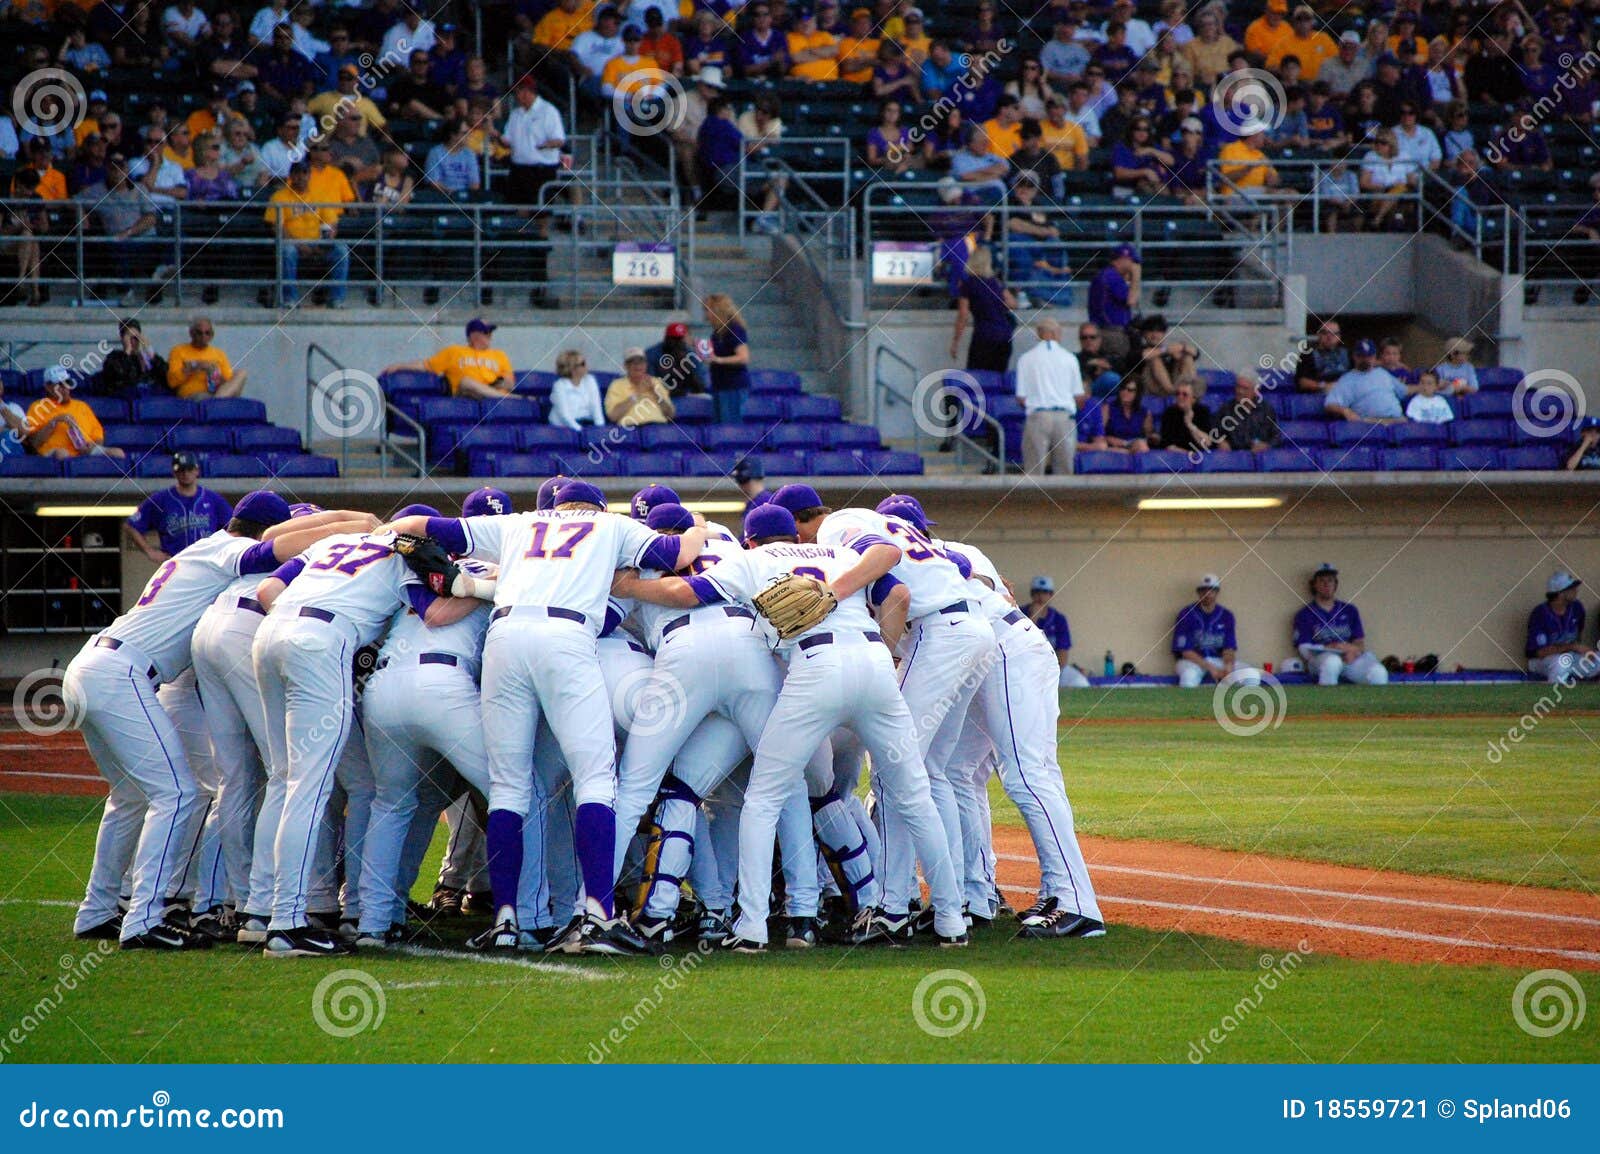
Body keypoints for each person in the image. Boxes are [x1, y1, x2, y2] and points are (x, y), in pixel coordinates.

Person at [384, 481, 707, 956]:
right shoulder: (611, 523)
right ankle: (596, 916)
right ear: (595, 506)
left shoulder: (517, 524)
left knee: (509, 786)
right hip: (566, 635)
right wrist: (698, 527)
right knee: (595, 779)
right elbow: (677, 554)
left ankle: (507, 919)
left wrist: (408, 549)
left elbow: (411, 528)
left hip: (505, 635)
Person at [63, 492, 358, 949]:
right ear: (263, 527)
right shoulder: (228, 549)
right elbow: (273, 550)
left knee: (129, 798)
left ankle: (97, 910)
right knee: (178, 794)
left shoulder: (200, 548)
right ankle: (143, 919)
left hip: (93, 664)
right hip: (123, 672)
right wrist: (348, 525)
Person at [263, 160, 350, 308]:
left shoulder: (320, 195)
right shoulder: (279, 196)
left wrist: (323, 243)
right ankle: (289, 299)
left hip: (317, 243)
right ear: (291, 175)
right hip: (292, 244)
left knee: (341, 249)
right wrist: (299, 245)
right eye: (297, 173)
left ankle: (337, 299)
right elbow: (277, 227)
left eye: (304, 173)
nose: (301, 177)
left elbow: (332, 224)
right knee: (287, 250)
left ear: (309, 175)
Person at [123, 453, 233, 563]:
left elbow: (233, 526)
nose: (185, 474)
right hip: (175, 563)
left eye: (189, 469)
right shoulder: (161, 499)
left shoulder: (212, 498)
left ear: (197, 471)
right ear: (174, 473)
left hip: (207, 562)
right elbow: (131, 525)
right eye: (181, 470)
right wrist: (149, 551)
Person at [1293, 563, 1389, 686]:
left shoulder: (1349, 610)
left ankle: (1374, 705)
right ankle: (1326, 704)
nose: (1326, 584)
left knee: (1378, 672)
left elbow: (1359, 642)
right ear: (1314, 585)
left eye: (1330, 580)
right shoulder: (1305, 614)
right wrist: (1330, 648)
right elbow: (1304, 648)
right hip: (1322, 659)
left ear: (1335, 584)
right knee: (1332, 662)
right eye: (1322, 581)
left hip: (1350, 657)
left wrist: (1352, 650)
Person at [384, 318, 519, 401]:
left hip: (492, 395)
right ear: (474, 335)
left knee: (503, 386)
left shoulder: (499, 355)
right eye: (487, 333)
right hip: (465, 396)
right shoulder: (454, 351)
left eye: (490, 333)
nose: (490, 336)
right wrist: (399, 366)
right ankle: (510, 399)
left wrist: (495, 384)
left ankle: (502, 398)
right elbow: (426, 365)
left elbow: (510, 383)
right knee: (466, 382)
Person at [1015, 317, 1081, 476]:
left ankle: (1035, 501)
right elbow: (1078, 395)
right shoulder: (1070, 358)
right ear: (1056, 333)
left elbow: (1021, 397)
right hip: (1064, 417)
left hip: (1038, 416)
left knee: (1034, 471)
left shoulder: (1026, 359)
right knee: (1065, 470)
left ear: (1039, 334)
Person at [1173, 575, 1261, 688]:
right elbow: (1186, 651)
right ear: (1198, 593)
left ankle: (1241, 703)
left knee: (1252, 675)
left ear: (1217, 592)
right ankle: (1187, 705)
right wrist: (1211, 668)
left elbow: (1229, 648)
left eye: (1211, 590)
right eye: (1203, 590)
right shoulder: (1186, 614)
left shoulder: (1226, 615)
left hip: (1218, 660)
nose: (1207, 594)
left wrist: (1228, 665)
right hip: (1192, 662)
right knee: (1188, 676)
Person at [26, 367, 126, 461]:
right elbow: (34, 443)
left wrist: (92, 445)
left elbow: (98, 436)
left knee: (118, 453)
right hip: (54, 453)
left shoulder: (82, 406)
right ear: (48, 387)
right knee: (62, 454)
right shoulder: (37, 407)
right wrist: (54, 422)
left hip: (85, 451)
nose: (65, 388)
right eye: (60, 384)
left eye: (67, 383)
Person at [950, 247, 1016, 372]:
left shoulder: (967, 284)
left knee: (976, 378)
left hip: (983, 335)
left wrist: (955, 341)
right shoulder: (996, 282)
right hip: (1004, 334)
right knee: (998, 378)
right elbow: (1012, 303)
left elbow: (963, 315)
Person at [1526, 571, 1598, 684]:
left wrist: (1579, 650)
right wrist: (1573, 647)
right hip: (1543, 661)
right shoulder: (1541, 613)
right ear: (1560, 593)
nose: (1575, 591)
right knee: (1561, 662)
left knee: (1595, 658)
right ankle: (1555, 696)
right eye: (1571, 588)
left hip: (1570, 656)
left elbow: (1577, 637)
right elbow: (1538, 653)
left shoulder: (1576, 608)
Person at [1325, 338, 1409, 423]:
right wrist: (1346, 411)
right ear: (1355, 356)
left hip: (1398, 421)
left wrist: (1420, 387)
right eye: (1362, 356)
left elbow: (1405, 390)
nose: (1366, 359)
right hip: (1371, 423)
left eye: (1369, 356)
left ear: (1374, 356)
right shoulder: (1347, 379)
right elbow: (1330, 404)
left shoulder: (1382, 372)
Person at [1026, 576, 1088, 689]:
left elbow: (1063, 654)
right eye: (1037, 592)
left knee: (1080, 682)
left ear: (1051, 595)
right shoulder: (1020, 613)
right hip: (1027, 668)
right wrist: (1033, 618)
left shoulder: (1059, 619)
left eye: (1045, 592)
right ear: (1031, 594)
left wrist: (1050, 674)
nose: (1041, 596)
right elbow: (1020, 641)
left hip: (1054, 669)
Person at [167, 317, 248, 402]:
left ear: (212, 336)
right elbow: (172, 382)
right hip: (194, 394)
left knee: (241, 373)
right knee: (205, 398)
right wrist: (195, 367)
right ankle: (216, 403)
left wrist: (214, 372)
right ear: (191, 333)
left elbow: (228, 382)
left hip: (218, 393)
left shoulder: (219, 353)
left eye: (207, 333)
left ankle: (216, 402)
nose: (203, 336)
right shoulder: (178, 351)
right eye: (199, 333)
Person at [1087, 243, 1139, 363]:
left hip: (1110, 330)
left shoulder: (1111, 276)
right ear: (1123, 259)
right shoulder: (1111, 275)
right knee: (1119, 365)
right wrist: (1136, 276)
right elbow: (1131, 300)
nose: (1133, 265)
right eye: (1132, 261)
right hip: (1111, 332)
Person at [705, 293, 751, 425]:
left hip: (732, 385)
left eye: (708, 310)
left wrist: (719, 360)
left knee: (730, 426)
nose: (706, 315)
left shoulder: (734, 330)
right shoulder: (717, 332)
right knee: (719, 425)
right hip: (720, 384)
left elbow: (743, 357)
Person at [605, 348, 676, 426]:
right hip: (630, 429)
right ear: (626, 366)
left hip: (657, 428)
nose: (638, 366)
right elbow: (613, 416)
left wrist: (654, 393)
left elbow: (670, 414)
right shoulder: (617, 385)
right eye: (633, 363)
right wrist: (637, 394)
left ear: (646, 365)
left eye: (641, 362)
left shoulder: (656, 382)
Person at [1131, 314, 1197, 398]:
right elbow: (1145, 355)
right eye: (1151, 331)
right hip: (1151, 389)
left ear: (1164, 333)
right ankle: (1173, 391)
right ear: (1144, 334)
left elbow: (1195, 352)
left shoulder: (1169, 349)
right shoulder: (1137, 349)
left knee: (1187, 356)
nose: (1154, 335)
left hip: (1176, 384)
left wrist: (1182, 348)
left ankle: (1187, 388)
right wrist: (1166, 350)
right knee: (1154, 359)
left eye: (1159, 331)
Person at [100, 318, 168, 399]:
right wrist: (127, 352)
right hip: (127, 397)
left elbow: (166, 374)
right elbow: (118, 376)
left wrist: (150, 353)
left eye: (135, 338)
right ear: (122, 338)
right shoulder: (114, 357)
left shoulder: (147, 357)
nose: (132, 341)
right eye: (129, 338)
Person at [1210, 372, 1280, 451]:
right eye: (1238, 387)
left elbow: (1276, 436)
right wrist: (1220, 442)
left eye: (1245, 388)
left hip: (1258, 456)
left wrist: (1266, 446)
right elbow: (1214, 431)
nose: (1240, 391)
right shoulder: (1226, 409)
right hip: (1233, 456)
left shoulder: (1266, 410)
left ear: (1256, 391)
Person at [646, 320, 709, 395]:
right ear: (666, 338)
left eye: (680, 339)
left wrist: (688, 368)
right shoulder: (652, 354)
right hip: (661, 397)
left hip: (688, 396)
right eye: (673, 339)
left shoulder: (691, 355)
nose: (677, 342)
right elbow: (649, 384)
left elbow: (701, 386)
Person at [549, 349, 607, 430]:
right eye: (583, 364)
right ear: (572, 368)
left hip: (585, 423)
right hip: (563, 427)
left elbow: (596, 407)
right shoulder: (560, 386)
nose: (586, 365)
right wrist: (580, 431)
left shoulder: (590, 380)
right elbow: (565, 415)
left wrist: (600, 429)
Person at [1157, 379, 1213, 453]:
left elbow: (1207, 443)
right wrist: (1188, 454)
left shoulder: (1203, 412)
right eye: (1177, 393)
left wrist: (1189, 424)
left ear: (1194, 398)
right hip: (1176, 456)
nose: (1180, 397)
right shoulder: (1169, 413)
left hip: (1200, 456)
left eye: (1185, 394)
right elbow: (1167, 445)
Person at [1295, 320, 1350, 392]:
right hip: (1319, 395)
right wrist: (1324, 386)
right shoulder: (1308, 354)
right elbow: (1303, 382)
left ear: (1339, 336)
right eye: (1325, 333)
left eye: (1334, 334)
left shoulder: (1347, 353)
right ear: (1318, 335)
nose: (1329, 337)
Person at [1103, 380, 1153, 453]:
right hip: (1113, 448)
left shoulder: (1144, 412)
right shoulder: (1108, 408)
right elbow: (1098, 434)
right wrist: (1110, 439)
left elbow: (1148, 436)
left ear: (1138, 393)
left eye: (1130, 390)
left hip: (1135, 447)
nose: (1125, 392)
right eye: (1123, 388)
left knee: (1141, 445)